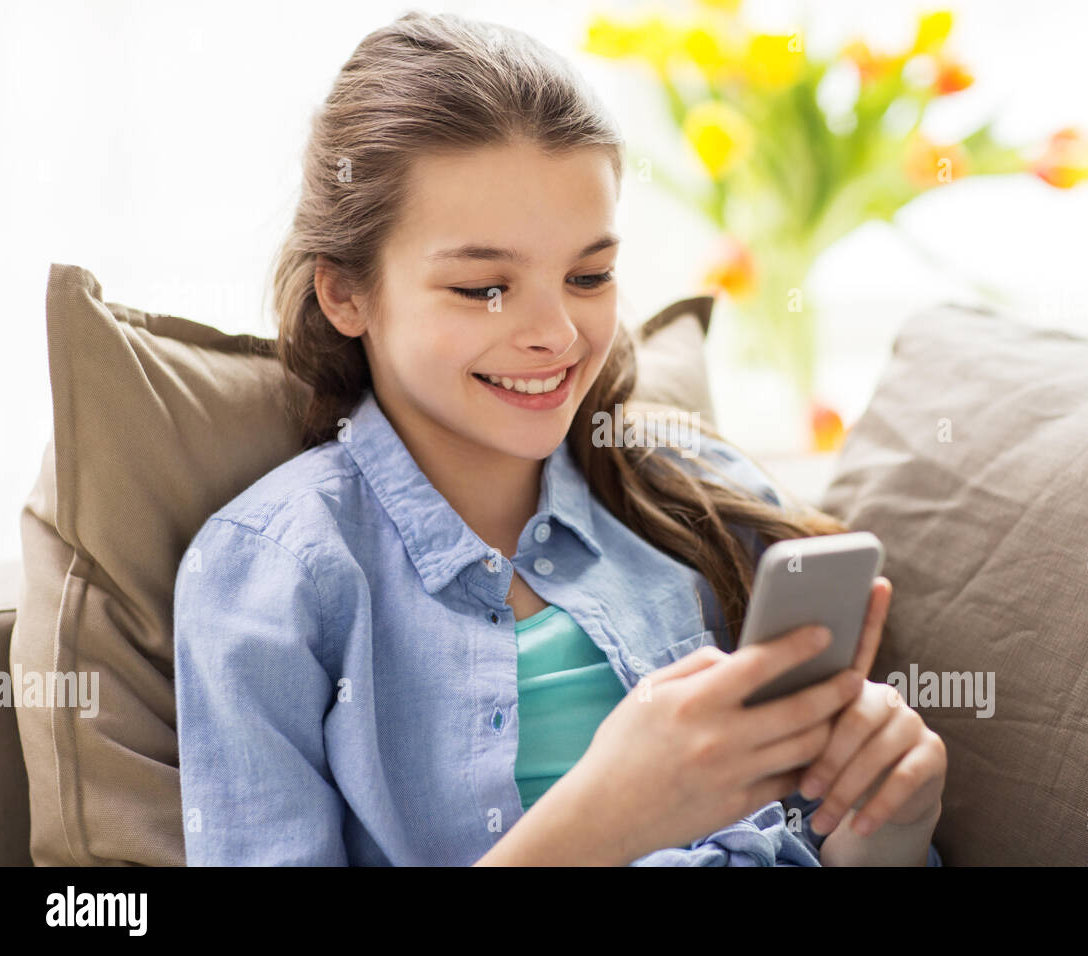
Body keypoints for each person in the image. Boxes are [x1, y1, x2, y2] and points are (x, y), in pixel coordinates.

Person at [173, 11, 944, 867]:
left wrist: (891, 824)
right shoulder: (272, 573)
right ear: (347, 295)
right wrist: (599, 821)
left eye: (589, 276)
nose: (559, 334)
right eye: (482, 288)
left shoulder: (695, 493)